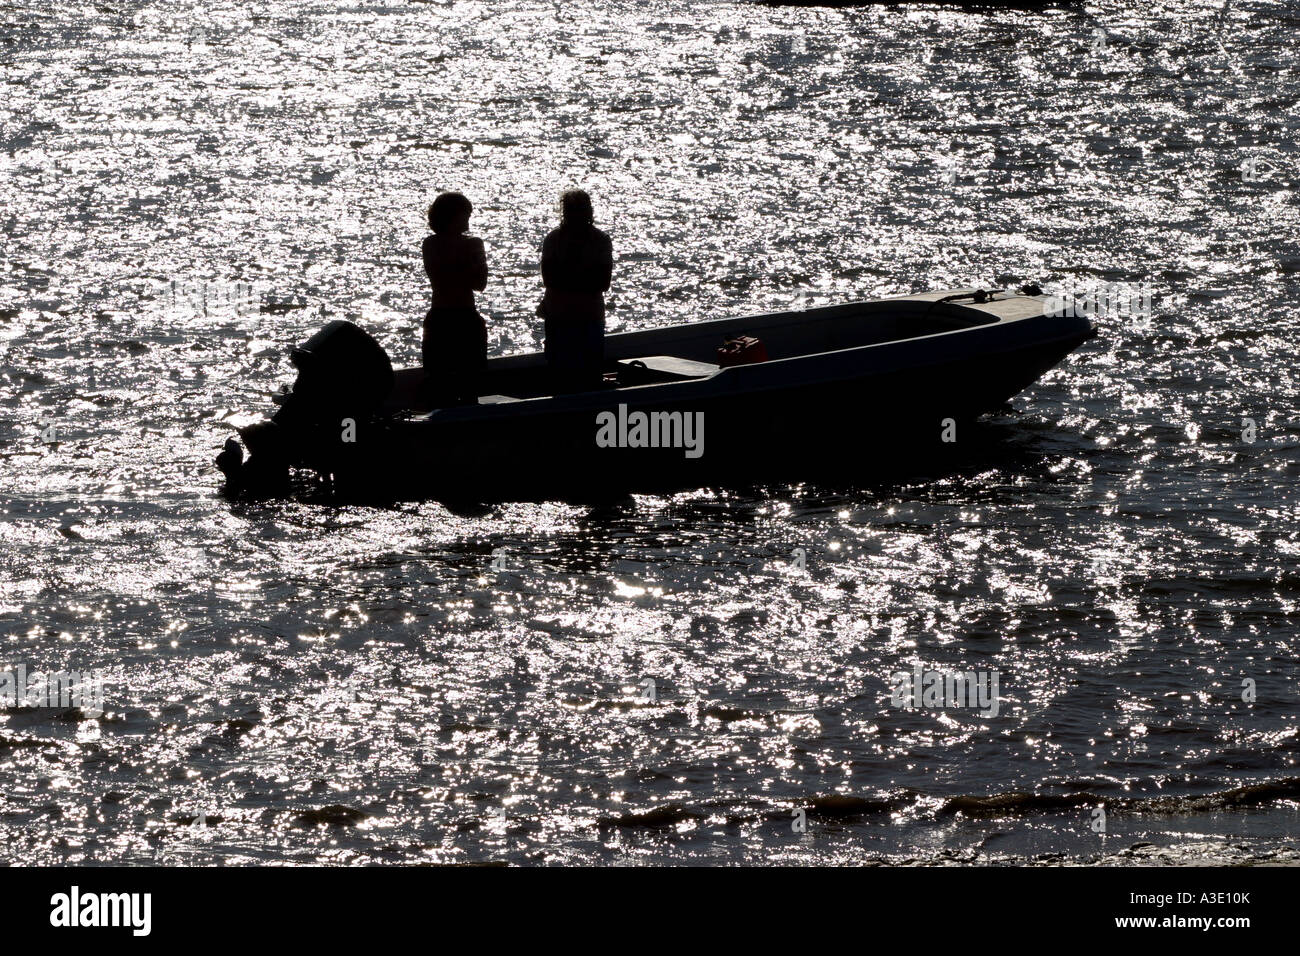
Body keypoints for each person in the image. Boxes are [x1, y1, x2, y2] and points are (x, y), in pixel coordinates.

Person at [539, 189, 613, 391]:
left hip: (579, 314)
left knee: (580, 371)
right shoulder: (554, 239)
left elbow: (602, 282)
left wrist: (567, 278)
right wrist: (583, 278)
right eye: (573, 210)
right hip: (567, 314)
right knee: (567, 371)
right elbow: (549, 279)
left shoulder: (599, 240)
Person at [421, 191, 488, 406]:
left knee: (471, 382)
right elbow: (442, 276)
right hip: (442, 316)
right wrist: (465, 265)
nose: (468, 219)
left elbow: (480, 283)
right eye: (464, 215)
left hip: (465, 315)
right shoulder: (431, 244)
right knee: (440, 381)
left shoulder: (473, 243)